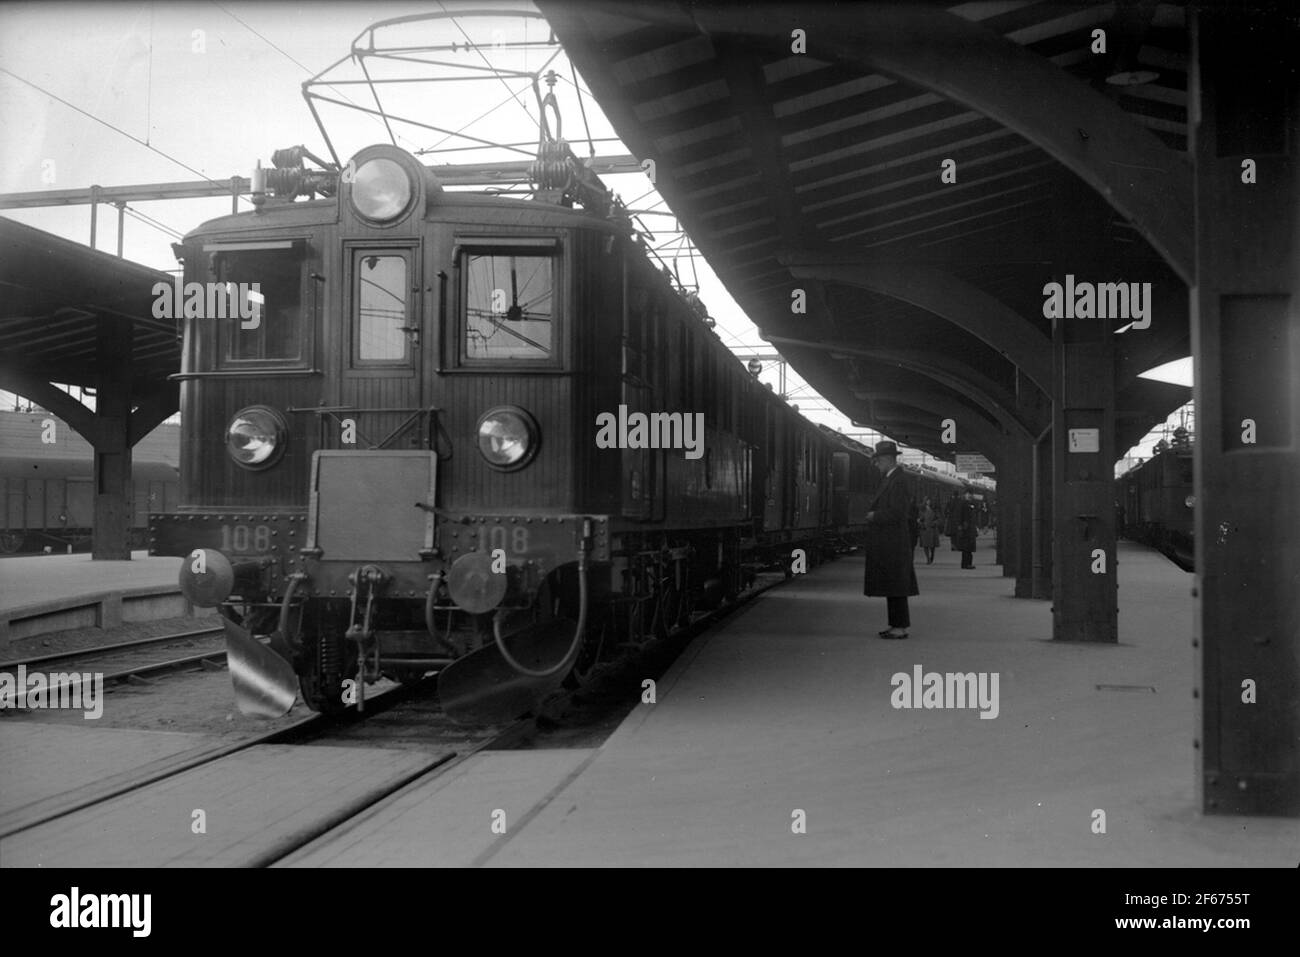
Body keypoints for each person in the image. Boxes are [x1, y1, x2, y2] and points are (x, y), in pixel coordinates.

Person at [863, 441, 918, 639]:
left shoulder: (898, 480)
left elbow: (898, 512)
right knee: (893, 586)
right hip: (890, 541)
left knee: (896, 586)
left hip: (893, 542)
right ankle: (896, 624)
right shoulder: (892, 478)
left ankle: (900, 627)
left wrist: (874, 516)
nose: (876, 465)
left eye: (877, 461)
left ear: (886, 460)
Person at [955, 490, 978, 569]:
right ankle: (966, 564)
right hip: (966, 529)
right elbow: (961, 516)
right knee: (967, 548)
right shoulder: (964, 504)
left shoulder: (969, 504)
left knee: (968, 548)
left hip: (969, 529)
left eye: (970, 494)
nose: (969, 496)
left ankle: (966, 563)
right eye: (968, 494)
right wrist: (961, 526)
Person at [919, 497, 941, 565]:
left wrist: (935, 523)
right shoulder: (922, 510)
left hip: (932, 529)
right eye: (927, 501)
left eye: (929, 500)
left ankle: (932, 556)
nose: (928, 502)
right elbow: (919, 519)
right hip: (925, 529)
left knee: (932, 546)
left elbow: (939, 519)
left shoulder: (934, 509)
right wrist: (922, 525)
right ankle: (928, 559)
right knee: (925, 545)